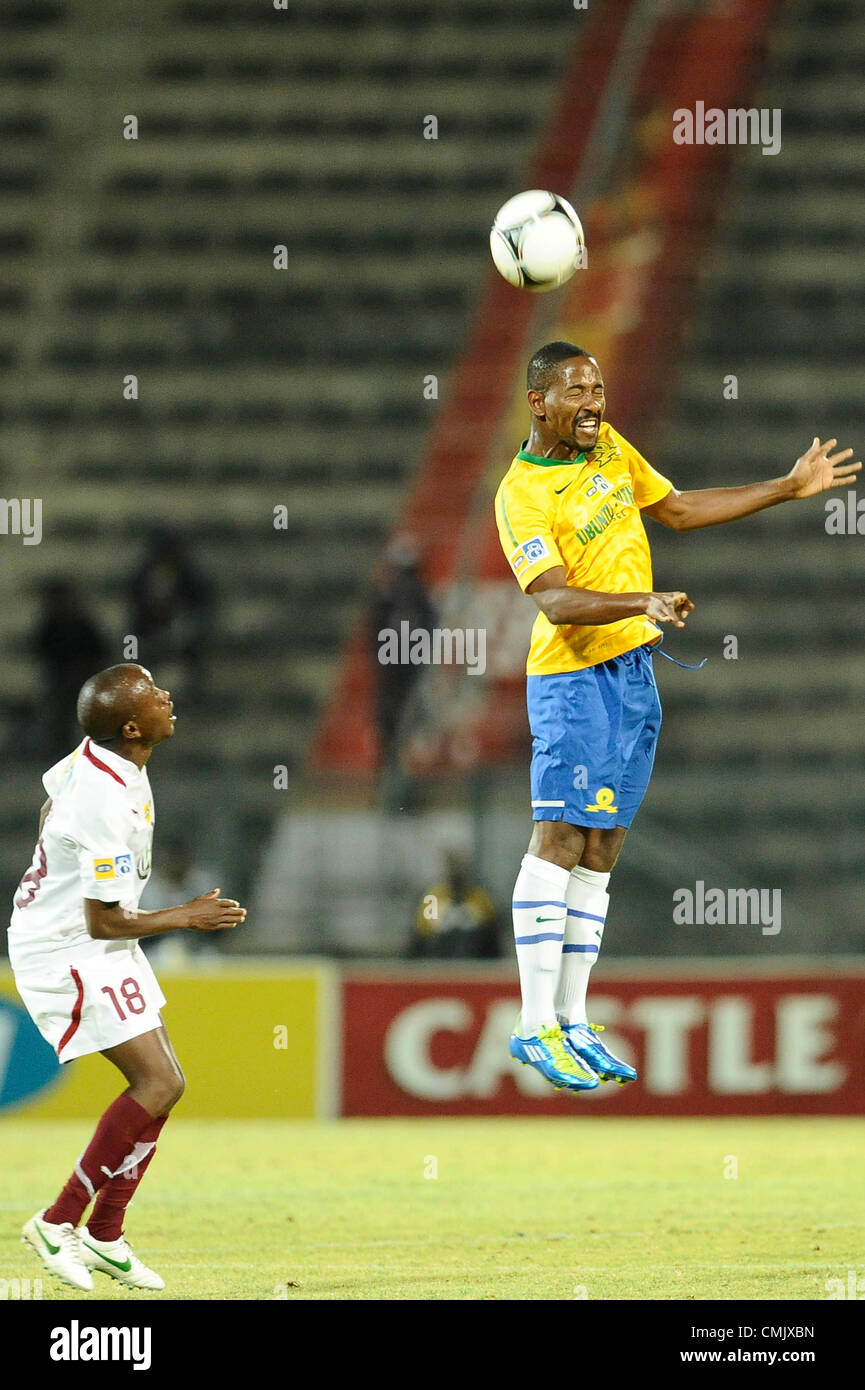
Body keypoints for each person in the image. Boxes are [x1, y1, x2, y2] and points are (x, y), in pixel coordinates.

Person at [495, 340, 860, 1094]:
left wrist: (788, 488)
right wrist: (644, 602)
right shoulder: (521, 494)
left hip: (632, 674)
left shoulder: (608, 451)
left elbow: (679, 509)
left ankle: (570, 1017)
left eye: (597, 387)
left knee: (601, 848)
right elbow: (554, 599)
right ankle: (532, 1024)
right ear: (538, 403)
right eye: (575, 390)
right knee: (558, 837)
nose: (594, 401)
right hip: (572, 676)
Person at [7, 663, 246, 1292]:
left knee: (167, 1084)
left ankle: (105, 1233)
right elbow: (105, 922)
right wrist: (187, 916)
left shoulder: (99, 759)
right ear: (134, 725)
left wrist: (48, 866)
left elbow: (49, 797)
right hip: (68, 946)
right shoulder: (104, 804)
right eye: (152, 694)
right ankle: (58, 1222)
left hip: (85, 935)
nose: (168, 695)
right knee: (158, 1081)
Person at [408, 850, 500, 959]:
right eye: (452, 867)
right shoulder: (433, 897)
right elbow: (422, 932)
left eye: (459, 867)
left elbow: (489, 928)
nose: (455, 872)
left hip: (473, 955)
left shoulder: (479, 897)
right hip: (437, 955)